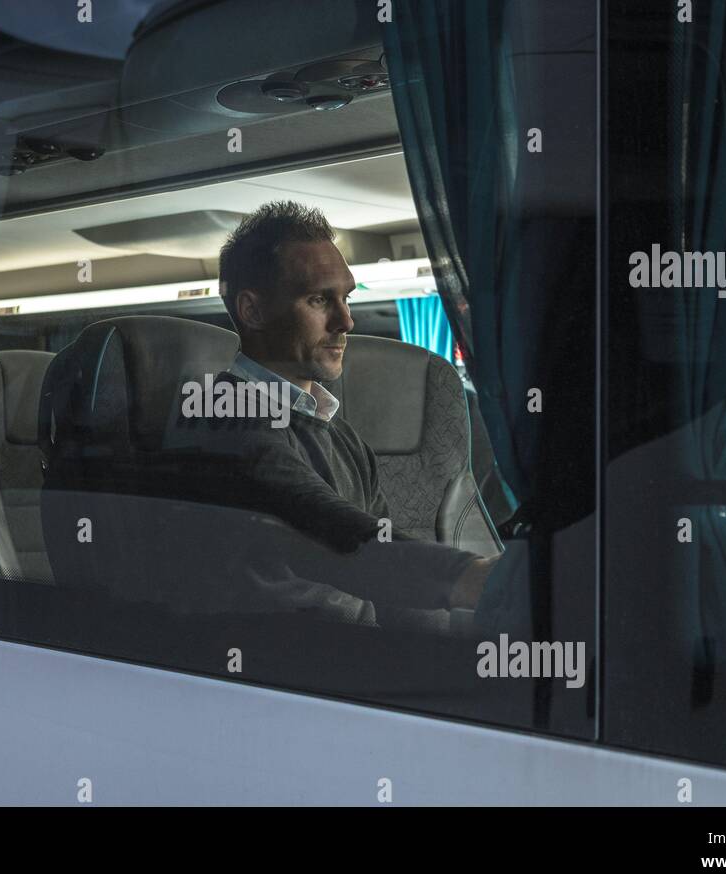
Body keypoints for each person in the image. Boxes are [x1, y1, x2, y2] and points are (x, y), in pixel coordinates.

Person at [173, 200, 497, 622]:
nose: (346, 320)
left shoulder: (342, 437)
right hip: (274, 669)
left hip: (351, 665)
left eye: (346, 297)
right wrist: (472, 578)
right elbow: (329, 531)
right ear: (252, 311)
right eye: (319, 300)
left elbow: (378, 554)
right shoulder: (219, 418)